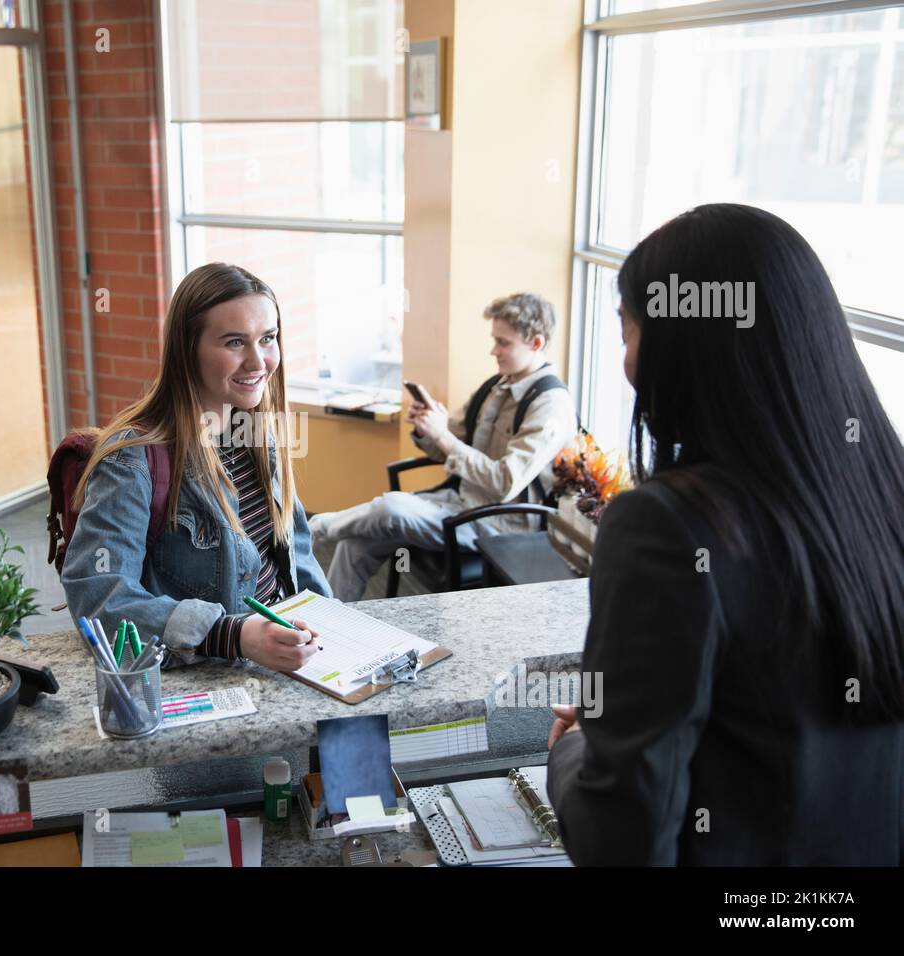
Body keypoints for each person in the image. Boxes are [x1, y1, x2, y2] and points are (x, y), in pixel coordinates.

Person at [546, 203, 904, 865]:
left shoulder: (666, 527)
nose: (627, 360)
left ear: (679, 344)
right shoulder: (882, 489)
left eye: (627, 332)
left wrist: (574, 751)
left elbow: (621, 838)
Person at [60, 263, 330, 673]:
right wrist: (233, 635)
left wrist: (334, 626)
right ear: (187, 350)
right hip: (214, 670)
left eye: (268, 338)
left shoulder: (257, 431)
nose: (258, 361)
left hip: (291, 656)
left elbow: (297, 554)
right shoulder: (132, 459)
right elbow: (99, 600)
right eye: (235, 342)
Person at [310, 293, 576, 601]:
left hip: (497, 523)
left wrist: (444, 437)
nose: (494, 351)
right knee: (355, 542)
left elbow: (505, 482)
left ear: (536, 343)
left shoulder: (550, 406)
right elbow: (448, 449)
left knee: (391, 507)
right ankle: (330, 622)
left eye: (503, 343)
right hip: (458, 501)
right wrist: (429, 430)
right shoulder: (496, 386)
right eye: (494, 340)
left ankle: (318, 528)